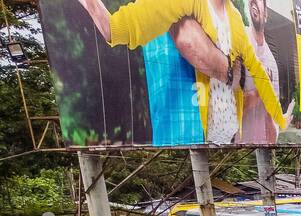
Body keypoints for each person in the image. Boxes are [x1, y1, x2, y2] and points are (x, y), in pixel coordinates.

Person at [77, 0, 285, 145]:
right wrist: (234, 73)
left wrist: (279, 119)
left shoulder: (235, 16)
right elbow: (114, 29)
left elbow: (256, 74)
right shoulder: (181, 4)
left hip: (227, 139)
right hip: (186, 135)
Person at [236, 0, 281, 144]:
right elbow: (226, 109)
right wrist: (258, 92)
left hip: (258, 146)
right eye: (251, 2)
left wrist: (267, 104)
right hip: (229, 147)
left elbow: (273, 137)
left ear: (266, 14)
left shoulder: (272, 63)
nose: (253, 4)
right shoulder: (238, 39)